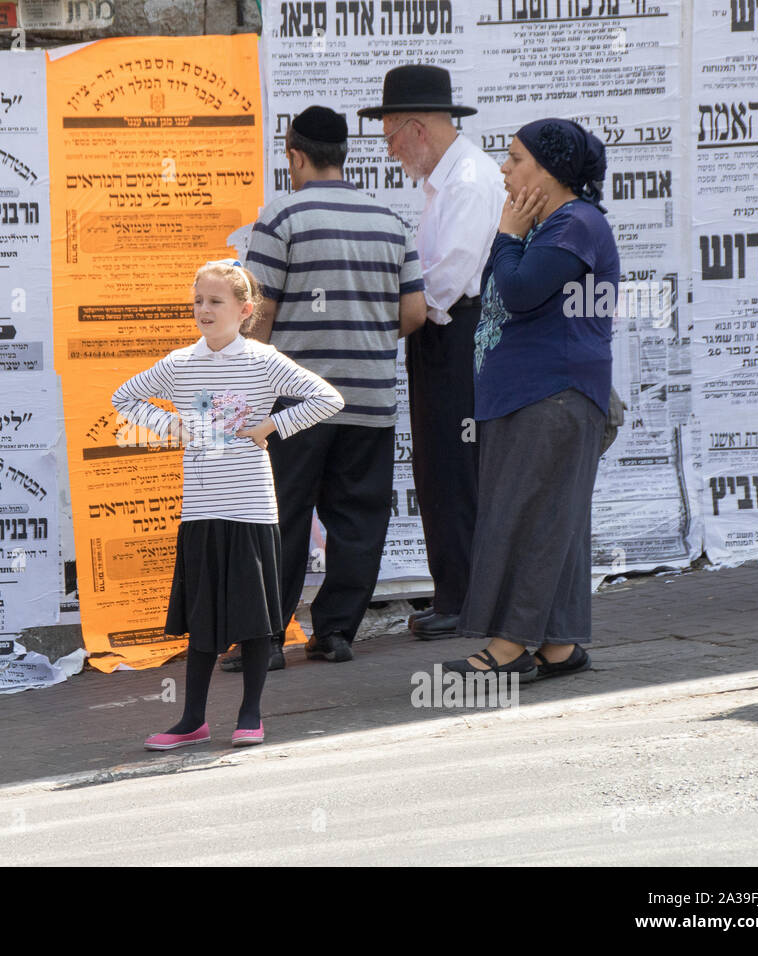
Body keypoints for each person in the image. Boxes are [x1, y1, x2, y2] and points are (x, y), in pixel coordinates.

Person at [111, 261, 343, 750]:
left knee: (254, 616)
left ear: (245, 309)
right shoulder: (179, 363)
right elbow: (125, 397)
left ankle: (250, 714)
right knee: (202, 616)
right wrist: (174, 429)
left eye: (215, 302)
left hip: (251, 508)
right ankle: (192, 719)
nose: (204, 310)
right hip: (200, 508)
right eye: (198, 301)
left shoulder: (262, 360)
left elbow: (327, 398)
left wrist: (268, 428)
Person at [236, 105, 425, 670]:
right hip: (368, 399)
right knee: (358, 518)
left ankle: (267, 640)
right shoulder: (391, 222)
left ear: (294, 155)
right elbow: (414, 312)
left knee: (280, 514)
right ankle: (337, 632)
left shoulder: (281, 218)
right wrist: (362, 332)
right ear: (344, 154)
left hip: (297, 402)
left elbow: (257, 317)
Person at [441, 119, 618, 679]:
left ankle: (510, 647)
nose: (503, 168)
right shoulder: (556, 225)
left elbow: (516, 293)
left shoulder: (573, 224)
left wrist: (507, 234)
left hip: (552, 397)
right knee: (550, 519)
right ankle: (559, 645)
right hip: (533, 396)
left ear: (548, 170)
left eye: (515, 158)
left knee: (528, 519)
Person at [358, 65, 505, 640]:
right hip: (441, 333)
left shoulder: (467, 180)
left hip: (455, 332)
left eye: (391, 138)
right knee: (439, 466)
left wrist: (380, 326)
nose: (391, 152)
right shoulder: (450, 179)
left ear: (416, 128)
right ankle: (456, 592)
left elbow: (443, 282)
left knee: (454, 468)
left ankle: (467, 598)